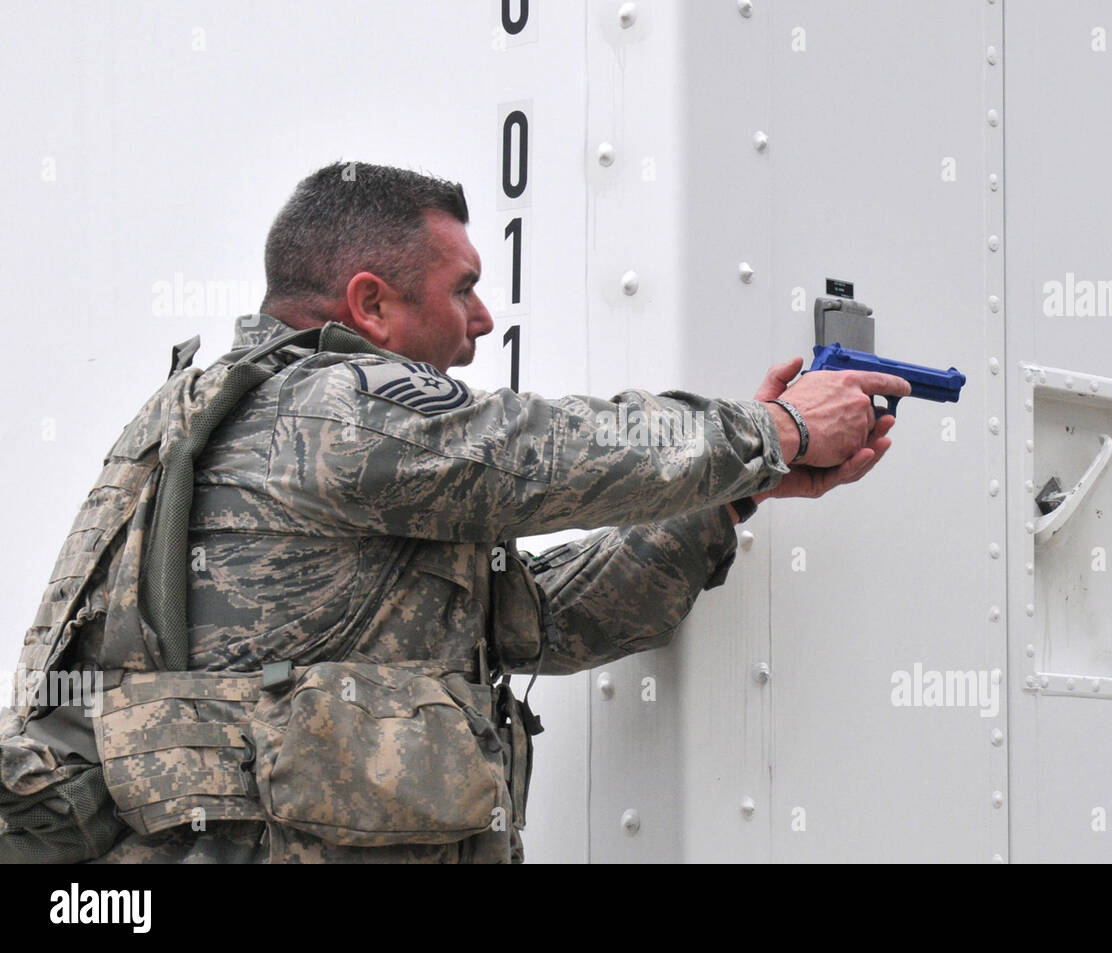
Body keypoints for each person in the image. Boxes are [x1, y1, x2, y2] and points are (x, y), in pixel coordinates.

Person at [11, 162, 908, 864]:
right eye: (462, 288)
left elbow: (538, 621)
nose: (483, 320)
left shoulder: (247, 420)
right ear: (371, 304)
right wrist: (777, 429)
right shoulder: (331, 411)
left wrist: (735, 494)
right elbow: (543, 453)